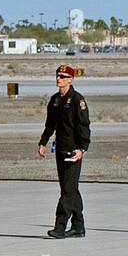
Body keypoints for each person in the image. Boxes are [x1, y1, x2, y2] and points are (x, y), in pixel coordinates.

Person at [37, 64, 91, 239]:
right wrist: (43, 142)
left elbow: (84, 126)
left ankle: (60, 227)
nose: (58, 79)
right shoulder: (55, 100)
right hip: (60, 149)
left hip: (73, 151)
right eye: (57, 76)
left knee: (67, 191)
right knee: (70, 189)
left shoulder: (77, 100)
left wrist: (82, 148)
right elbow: (50, 124)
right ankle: (78, 226)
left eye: (62, 76)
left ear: (71, 79)